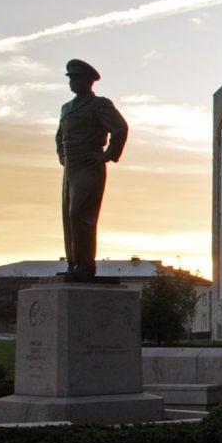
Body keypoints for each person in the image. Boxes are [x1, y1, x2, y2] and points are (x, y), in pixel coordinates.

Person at [56, 59, 128, 279]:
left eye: (76, 78)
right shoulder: (66, 108)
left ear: (88, 81)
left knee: (81, 214)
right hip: (71, 166)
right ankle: (74, 263)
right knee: (68, 216)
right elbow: (60, 136)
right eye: (70, 79)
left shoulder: (99, 105)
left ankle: (85, 266)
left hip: (89, 165)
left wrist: (107, 155)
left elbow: (120, 128)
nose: (72, 82)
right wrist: (63, 157)